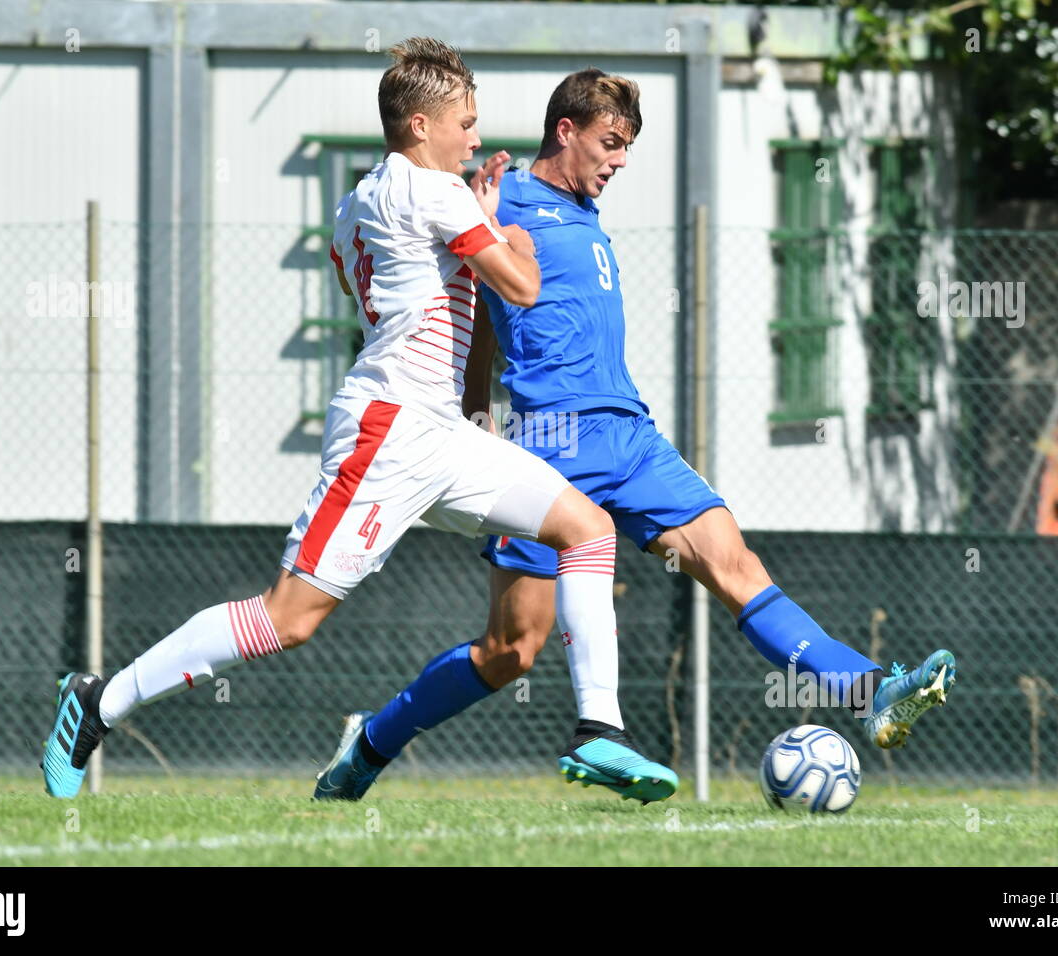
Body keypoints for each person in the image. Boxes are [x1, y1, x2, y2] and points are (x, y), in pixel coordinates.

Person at [41, 39, 674, 802]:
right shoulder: (438, 193)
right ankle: (99, 703)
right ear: (418, 125)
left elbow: (373, 282)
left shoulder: (355, 201)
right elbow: (525, 288)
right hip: (390, 433)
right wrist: (502, 227)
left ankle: (599, 731)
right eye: (464, 123)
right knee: (289, 618)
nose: (475, 139)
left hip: (440, 428)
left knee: (587, 528)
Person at [314, 68, 957, 803]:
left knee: (734, 564)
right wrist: (469, 412)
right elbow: (479, 308)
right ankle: (368, 745)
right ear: (567, 131)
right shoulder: (504, 198)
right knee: (509, 651)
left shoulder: (586, 216)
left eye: (626, 148)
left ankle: (869, 692)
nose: (618, 161)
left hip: (630, 436)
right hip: (547, 445)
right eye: (609, 143)